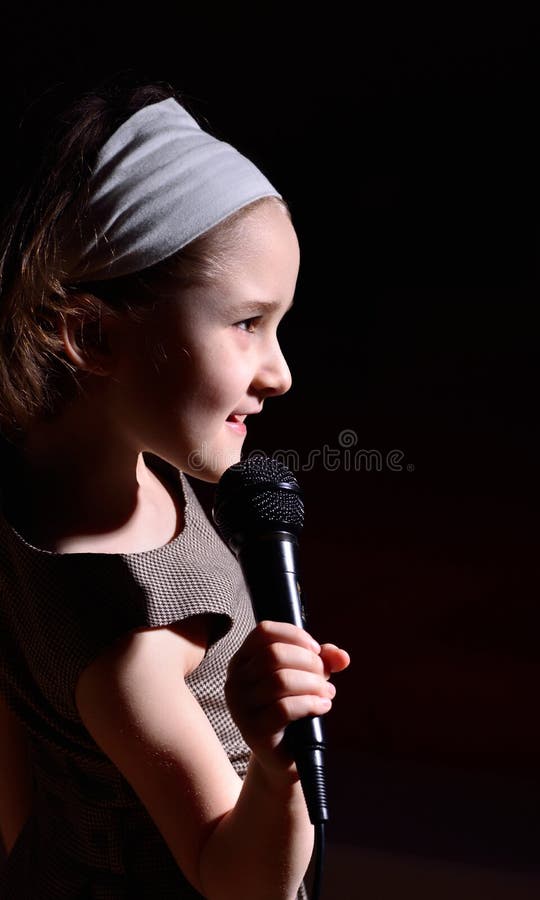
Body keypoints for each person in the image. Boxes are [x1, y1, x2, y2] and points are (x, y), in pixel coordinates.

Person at [0, 76, 350, 899]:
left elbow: (18, 772)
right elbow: (239, 884)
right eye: (245, 323)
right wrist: (274, 769)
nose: (281, 373)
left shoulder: (55, 480)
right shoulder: (130, 644)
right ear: (91, 335)